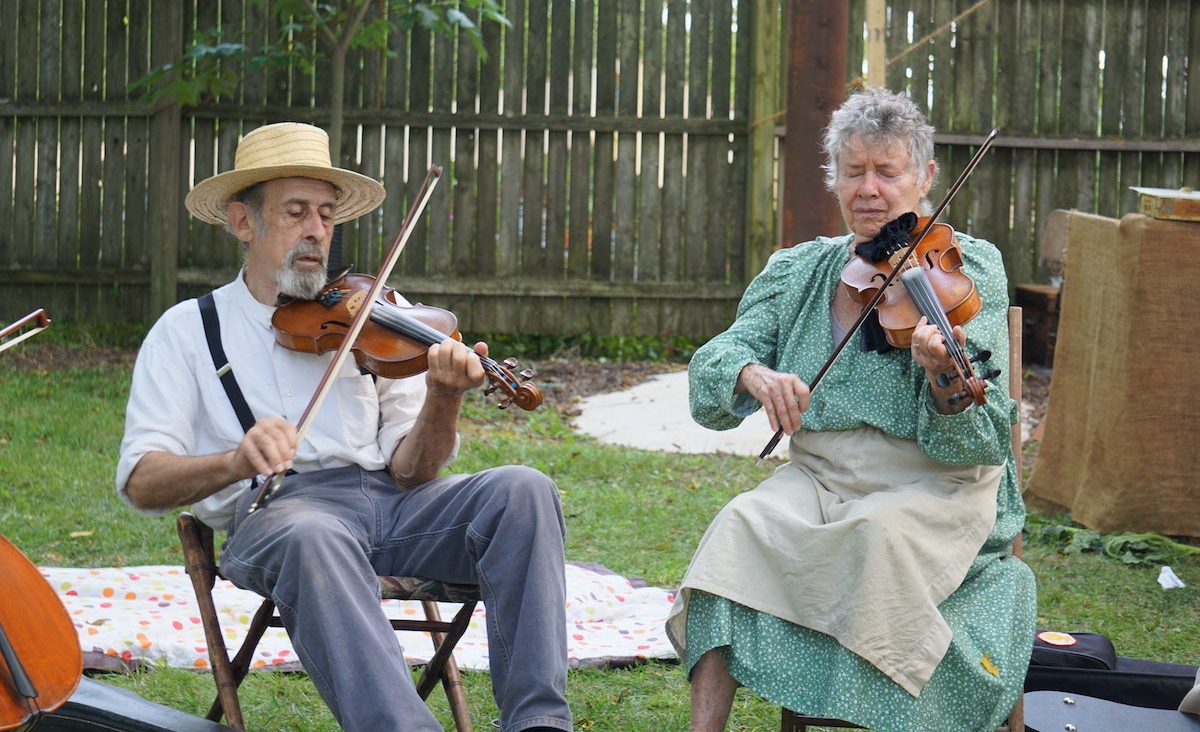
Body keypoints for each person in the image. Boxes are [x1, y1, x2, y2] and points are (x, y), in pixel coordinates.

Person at [116, 122, 573, 732]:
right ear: (242, 222)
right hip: (281, 515)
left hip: (393, 506)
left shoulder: (376, 312)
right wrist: (232, 462)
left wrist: (443, 396)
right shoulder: (186, 331)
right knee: (313, 534)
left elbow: (413, 470)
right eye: (296, 213)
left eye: (327, 216)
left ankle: (539, 725)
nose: (316, 232)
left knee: (524, 490)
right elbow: (142, 481)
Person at [665, 87, 1036, 732]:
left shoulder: (964, 267)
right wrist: (753, 374)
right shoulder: (799, 270)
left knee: (874, 536)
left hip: (933, 484)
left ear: (924, 178)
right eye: (854, 170)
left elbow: (980, 441)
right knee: (738, 525)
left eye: (888, 172)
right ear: (834, 178)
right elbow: (716, 362)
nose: (870, 188)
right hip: (820, 476)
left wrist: (943, 371)